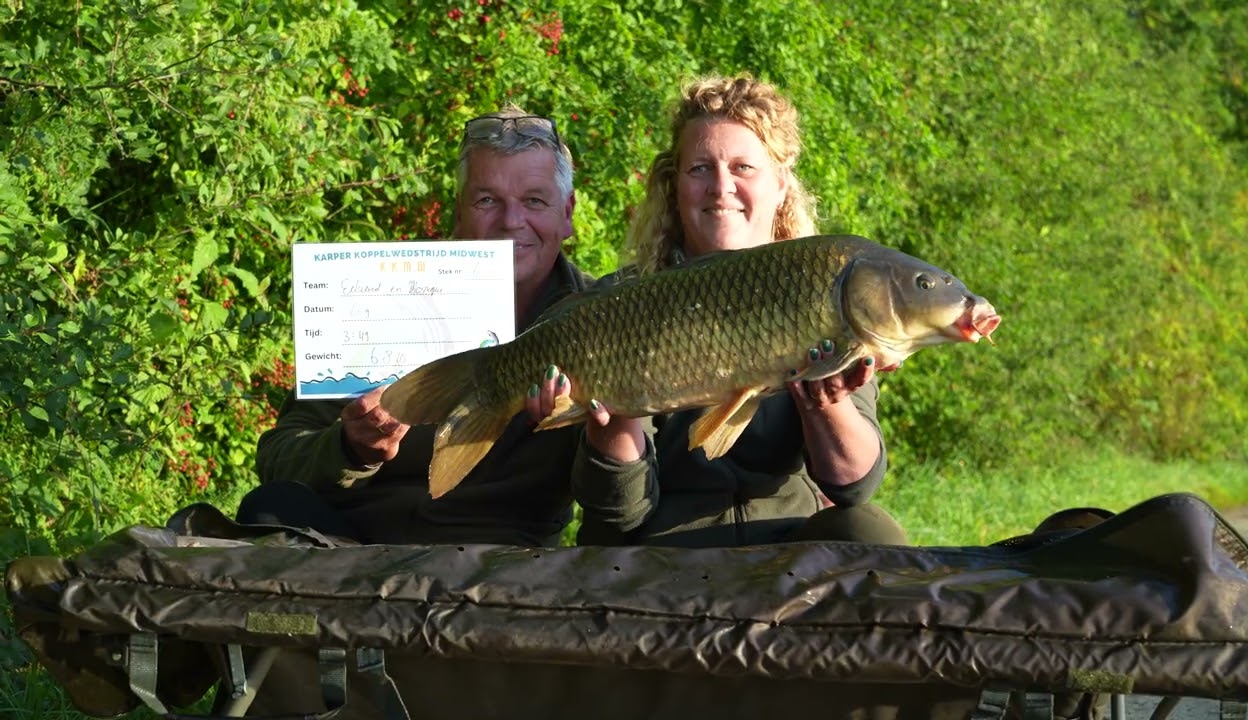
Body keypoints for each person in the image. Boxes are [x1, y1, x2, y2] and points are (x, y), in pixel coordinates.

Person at [530, 74, 908, 548]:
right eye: (700, 169)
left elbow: (853, 485)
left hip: (784, 545)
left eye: (743, 168)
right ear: (674, 185)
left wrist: (824, 405)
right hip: (658, 552)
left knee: (871, 530)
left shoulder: (822, 285)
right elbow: (618, 515)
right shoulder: (618, 303)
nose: (720, 187)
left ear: (781, 183)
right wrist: (616, 412)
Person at [240, 105, 592, 547]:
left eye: (534, 201)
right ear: (458, 212)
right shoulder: (379, 291)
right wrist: (350, 449)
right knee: (270, 506)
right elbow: (278, 458)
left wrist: (596, 429)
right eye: (487, 200)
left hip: (504, 562)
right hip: (356, 546)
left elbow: (620, 502)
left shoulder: (601, 315)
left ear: (567, 212)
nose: (510, 221)